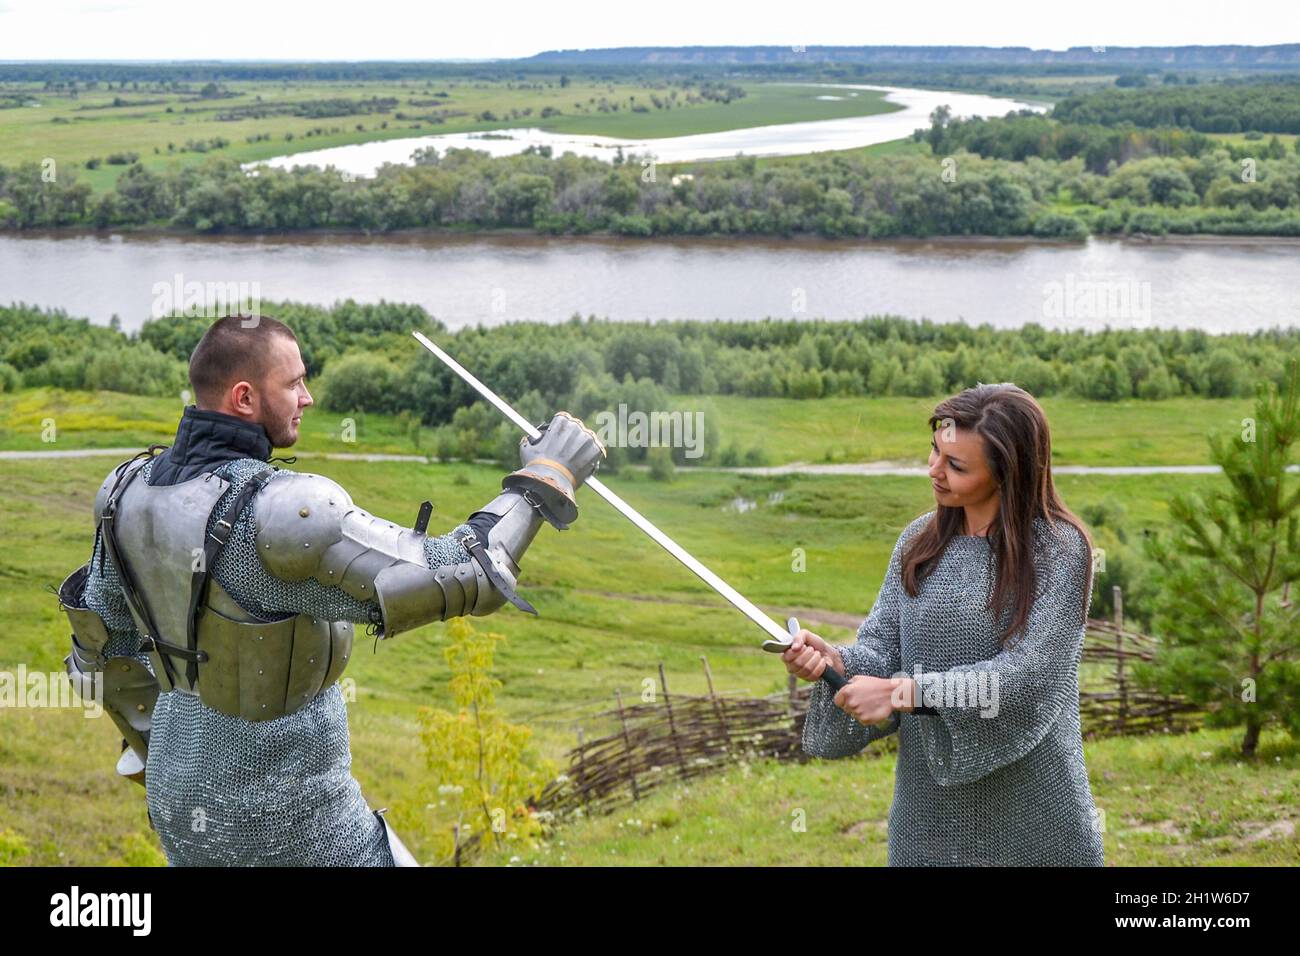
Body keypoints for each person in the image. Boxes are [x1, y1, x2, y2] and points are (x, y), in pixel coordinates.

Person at [57, 313, 605, 866]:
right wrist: (547, 476)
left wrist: (165, 756)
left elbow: (99, 653)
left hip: (178, 803)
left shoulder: (125, 491)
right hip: (290, 818)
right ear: (245, 397)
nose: (308, 397)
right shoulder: (277, 514)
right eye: (293, 383)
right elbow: (467, 575)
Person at [783, 383, 1104, 866]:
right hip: (927, 814)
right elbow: (883, 649)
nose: (935, 471)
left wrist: (900, 693)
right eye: (935, 453)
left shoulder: (1059, 551)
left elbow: (1028, 677)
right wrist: (837, 661)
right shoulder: (919, 542)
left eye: (956, 466)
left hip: (1036, 810)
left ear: (1007, 474)